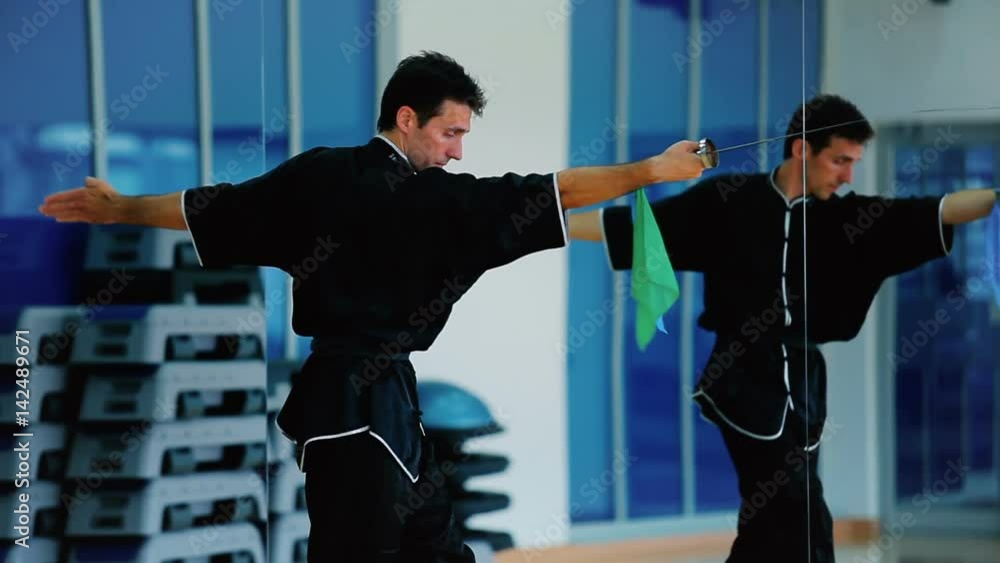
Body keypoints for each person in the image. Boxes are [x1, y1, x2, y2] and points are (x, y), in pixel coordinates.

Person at [38, 51, 706, 562]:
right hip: (352, 413)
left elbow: (212, 209)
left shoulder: (318, 175)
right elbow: (551, 190)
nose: (457, 151)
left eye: (464, 136)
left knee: (439, 546)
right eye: (449, 133)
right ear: (407, 118)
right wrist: (649, 170)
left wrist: (122, 207)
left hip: (380, 403)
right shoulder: (430, 200)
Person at [567, 94, 997, 563]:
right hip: (740, 381)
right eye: (839, 160)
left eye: (853, 163)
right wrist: (550, 224)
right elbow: (636, 230)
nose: (847, 175)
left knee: (772, 517)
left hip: (805, 385)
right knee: (796, 509)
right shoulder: (727, 200)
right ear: (801, 150)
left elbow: (942, 210)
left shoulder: (852, 218)